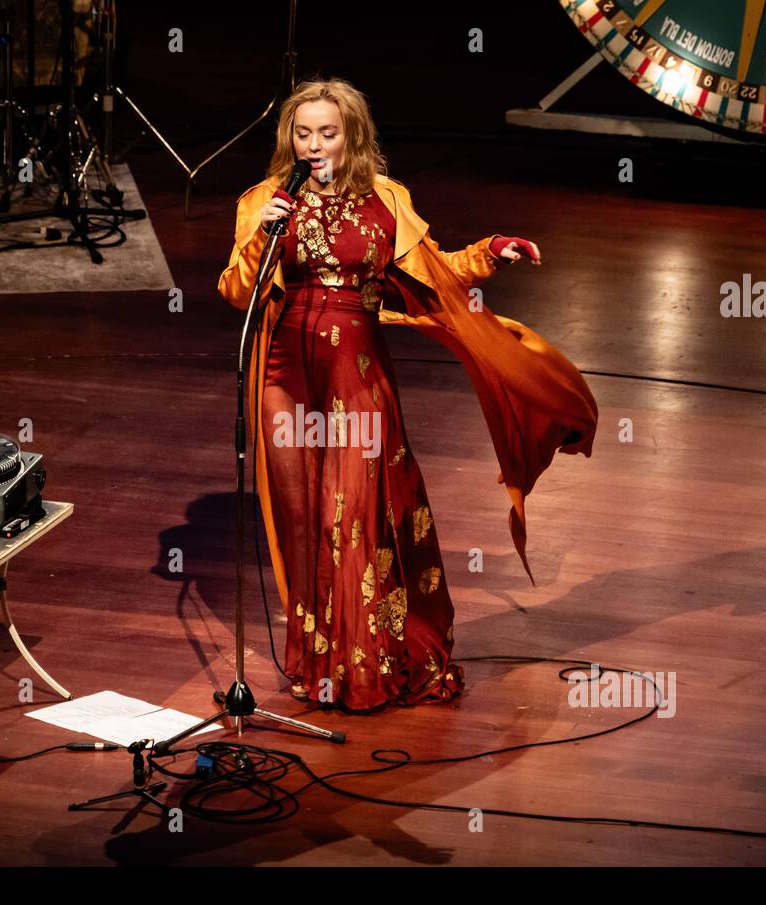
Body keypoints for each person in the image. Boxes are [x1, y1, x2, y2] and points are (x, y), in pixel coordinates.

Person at [218, 77, 598, 712]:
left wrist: (493, 252)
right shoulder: (263, 200)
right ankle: (320, 664)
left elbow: (439, 273)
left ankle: (369, 662)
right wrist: (262, 232)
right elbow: (236, 290)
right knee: (305, 519)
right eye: (303, 133)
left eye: (328, 133)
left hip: (356, 377)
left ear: (353, 137)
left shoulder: (386, 201)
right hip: (284, 380)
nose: (314, 145)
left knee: (358, 513)